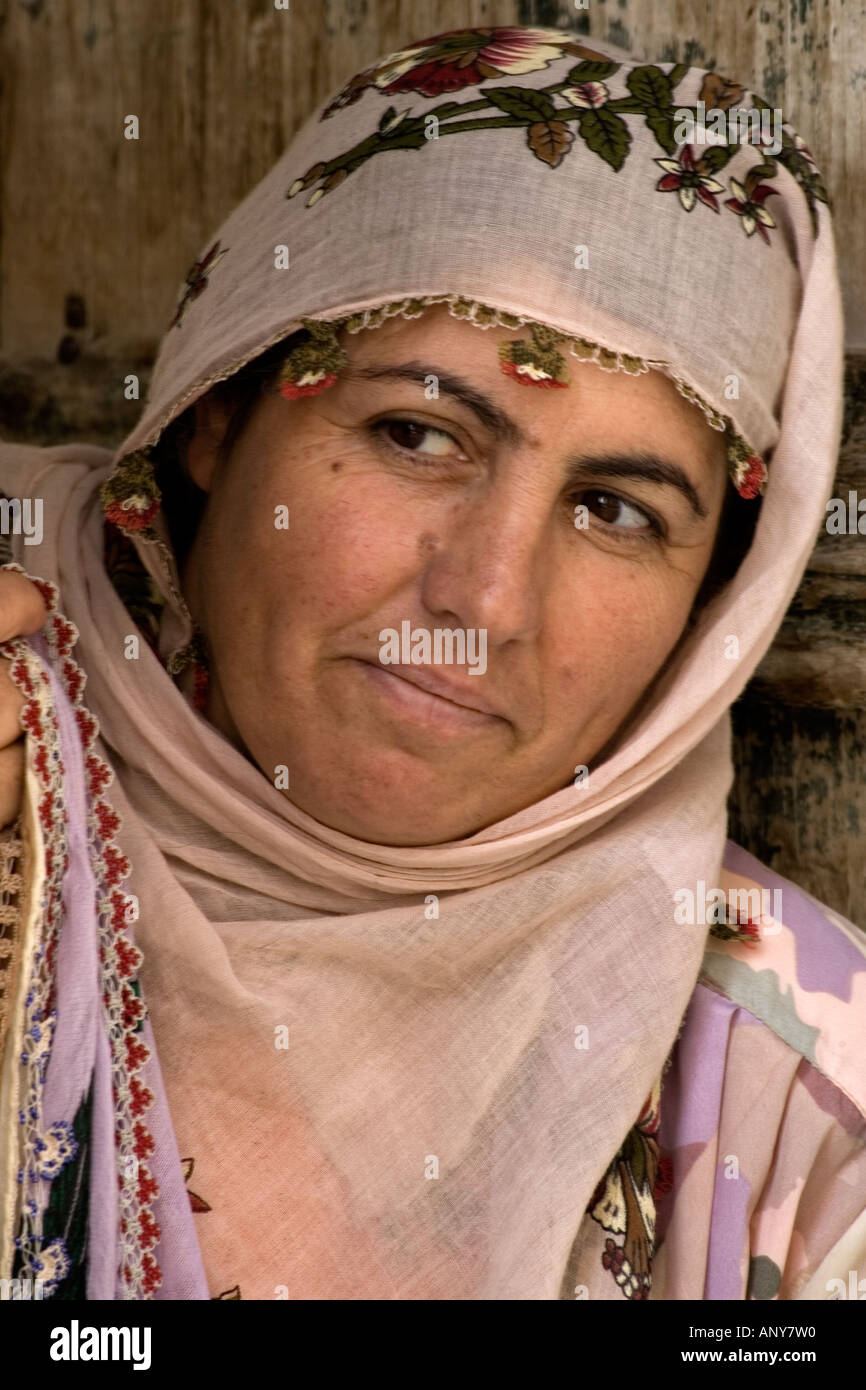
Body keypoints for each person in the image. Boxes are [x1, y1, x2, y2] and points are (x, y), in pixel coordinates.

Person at [0, 25, 863, 1301]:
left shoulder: (800, 1097)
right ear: (215, 412)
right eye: (417, 432)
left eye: (614, 511)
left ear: (713, 605)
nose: (484, 598)